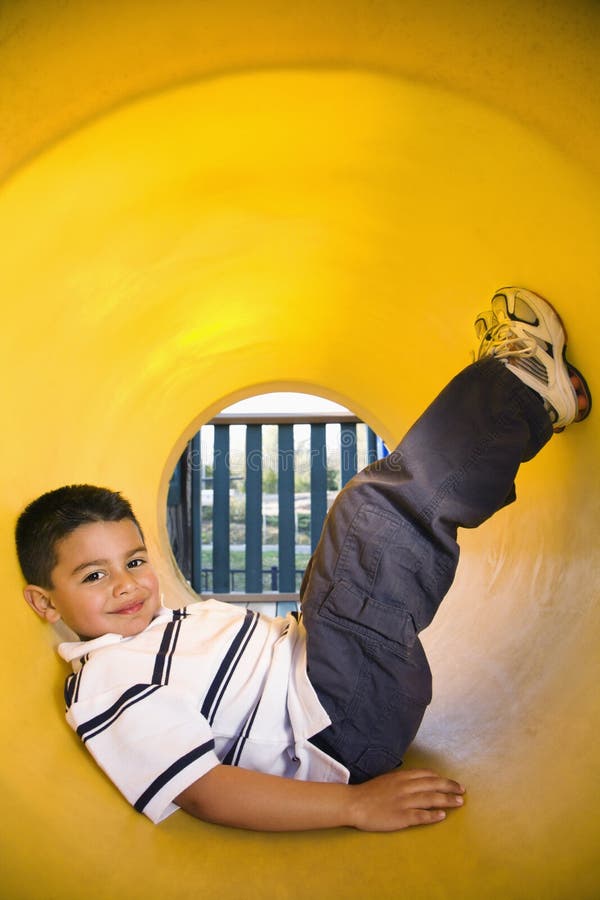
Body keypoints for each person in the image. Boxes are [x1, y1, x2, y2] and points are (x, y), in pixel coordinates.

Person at [15, 287, 591, 833]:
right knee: (368, 515)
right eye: (94, 575)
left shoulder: (165, 629)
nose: (126, 585)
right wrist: (352, 806)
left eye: (135, 561)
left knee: (348, 544)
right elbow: (204, 790)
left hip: (325, 676)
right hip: (338, 721)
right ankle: (521, 394)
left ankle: (518, 408)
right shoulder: (105, 680)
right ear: (44, 601)